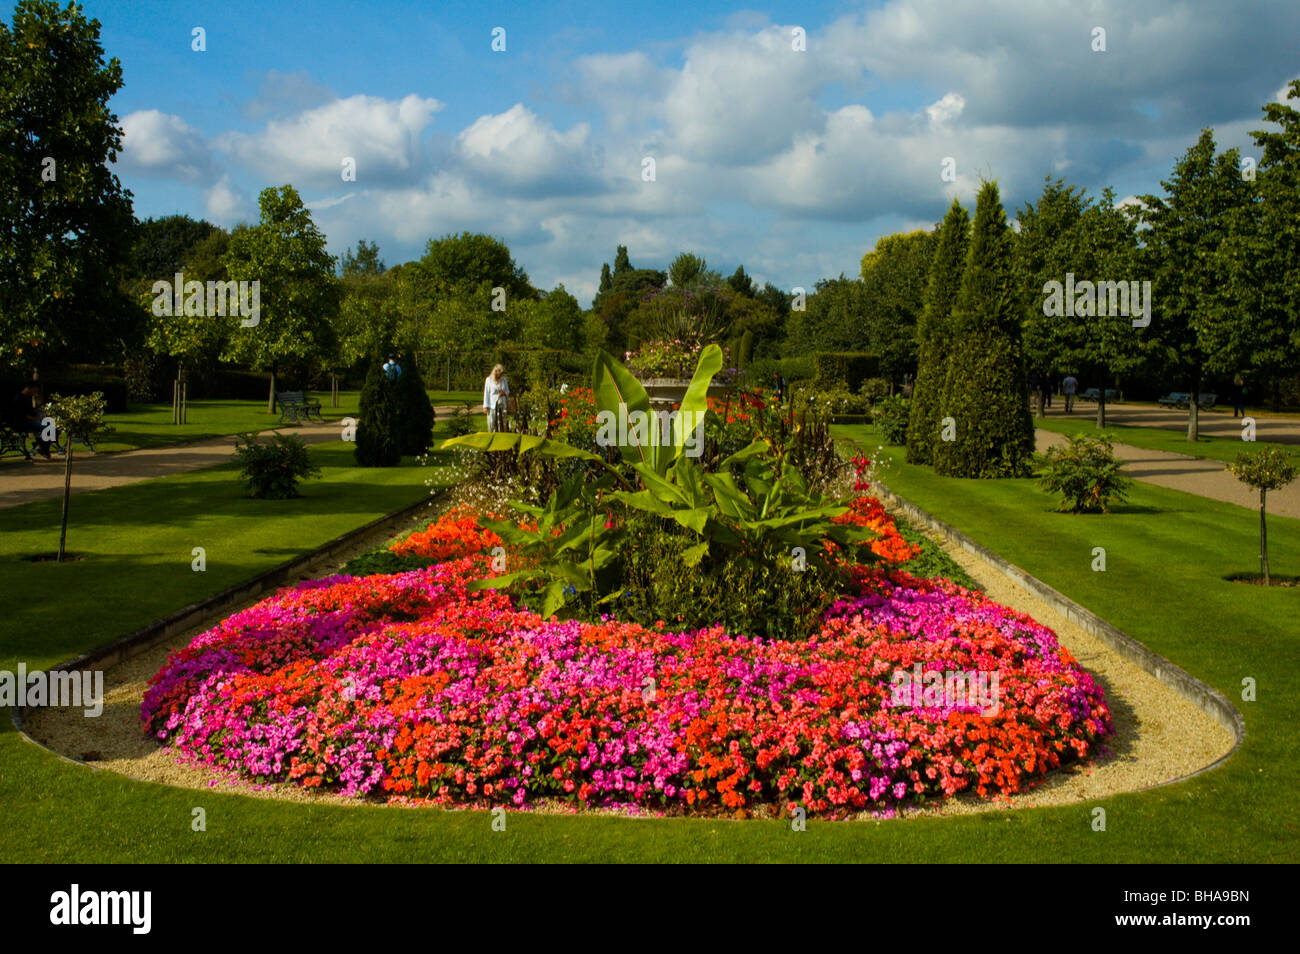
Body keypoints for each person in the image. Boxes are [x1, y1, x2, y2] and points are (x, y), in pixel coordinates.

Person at [8, 382, 51, 458]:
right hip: (22, 423)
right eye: (34, 391)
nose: (35, 393)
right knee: (47, 427)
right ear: (29, 388)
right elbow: (24, 416)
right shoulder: (19, 398)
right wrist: (38, 419)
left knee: (48, 426)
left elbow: (32, 413)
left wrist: (37, 405)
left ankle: (40, 446)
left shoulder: (27, 398)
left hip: (28, 421)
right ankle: (42, 448)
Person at [483, 364, 510, 432]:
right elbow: (486, 393)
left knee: (502, 422)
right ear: (496, 372)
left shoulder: (504, 380)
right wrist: (485, 406)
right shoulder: (488, 380)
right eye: (500, 373)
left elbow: (507, 391)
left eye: (502, 373)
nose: (501, 375)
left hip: (502, 404)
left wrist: (504, 393)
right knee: (492, 423)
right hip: (492, 405)